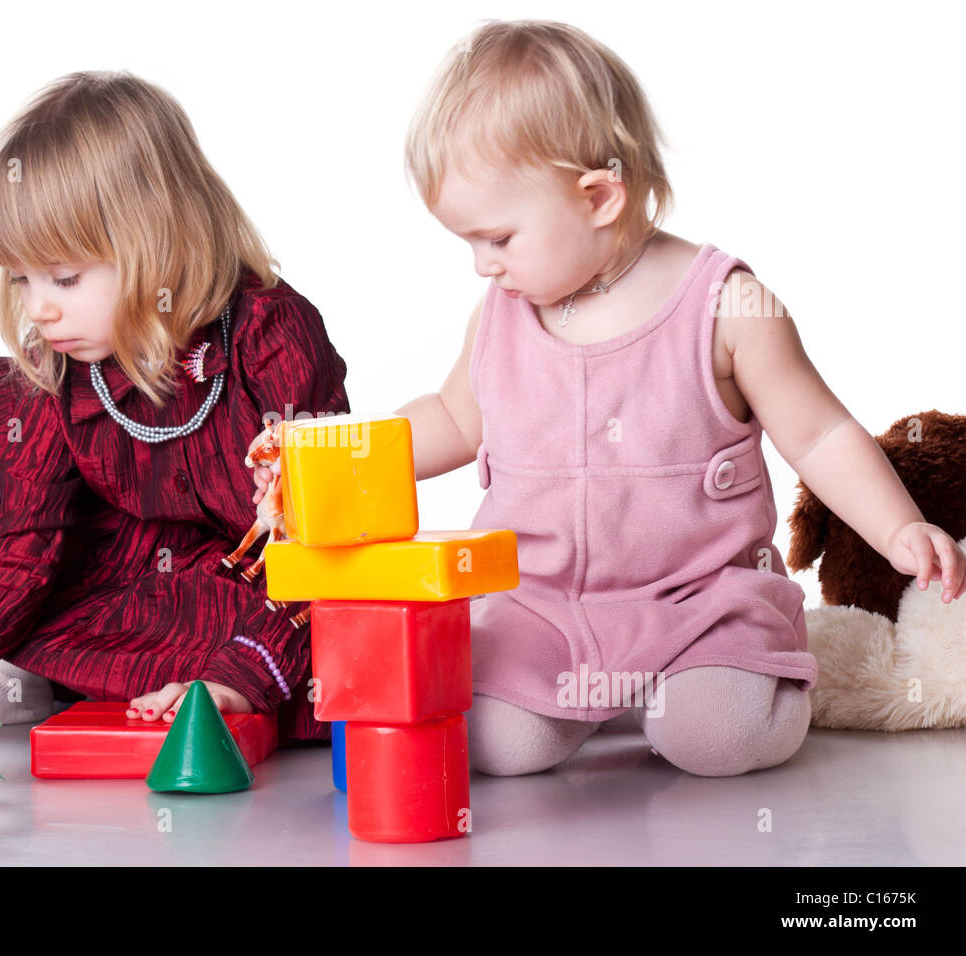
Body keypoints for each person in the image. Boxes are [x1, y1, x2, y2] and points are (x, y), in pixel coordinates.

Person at [259, 20, 965, 776]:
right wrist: (325, 462)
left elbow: (819, 434)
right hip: (547, 609)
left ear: (598, 197)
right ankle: (595, 700)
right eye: (466, 242)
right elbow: (452, 418)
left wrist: (899, 527)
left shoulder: (726, 306)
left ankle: (706, 688)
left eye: (497, 238)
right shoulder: (500, 316)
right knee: (497, 747)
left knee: (720, 740)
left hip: (701, 604)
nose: (481, 267)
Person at [0, 71, 348, 745]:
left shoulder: (271, 332)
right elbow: (23, 545)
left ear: (162, 244)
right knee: (33, 573)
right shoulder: (65, 361)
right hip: (142, 576)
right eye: (20, 279)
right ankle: (59, 666)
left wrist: (241, 673)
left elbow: (320, 529)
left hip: (270, 577)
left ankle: (209, 680)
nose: (39, 306)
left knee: (338, 632)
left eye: (64, 278)